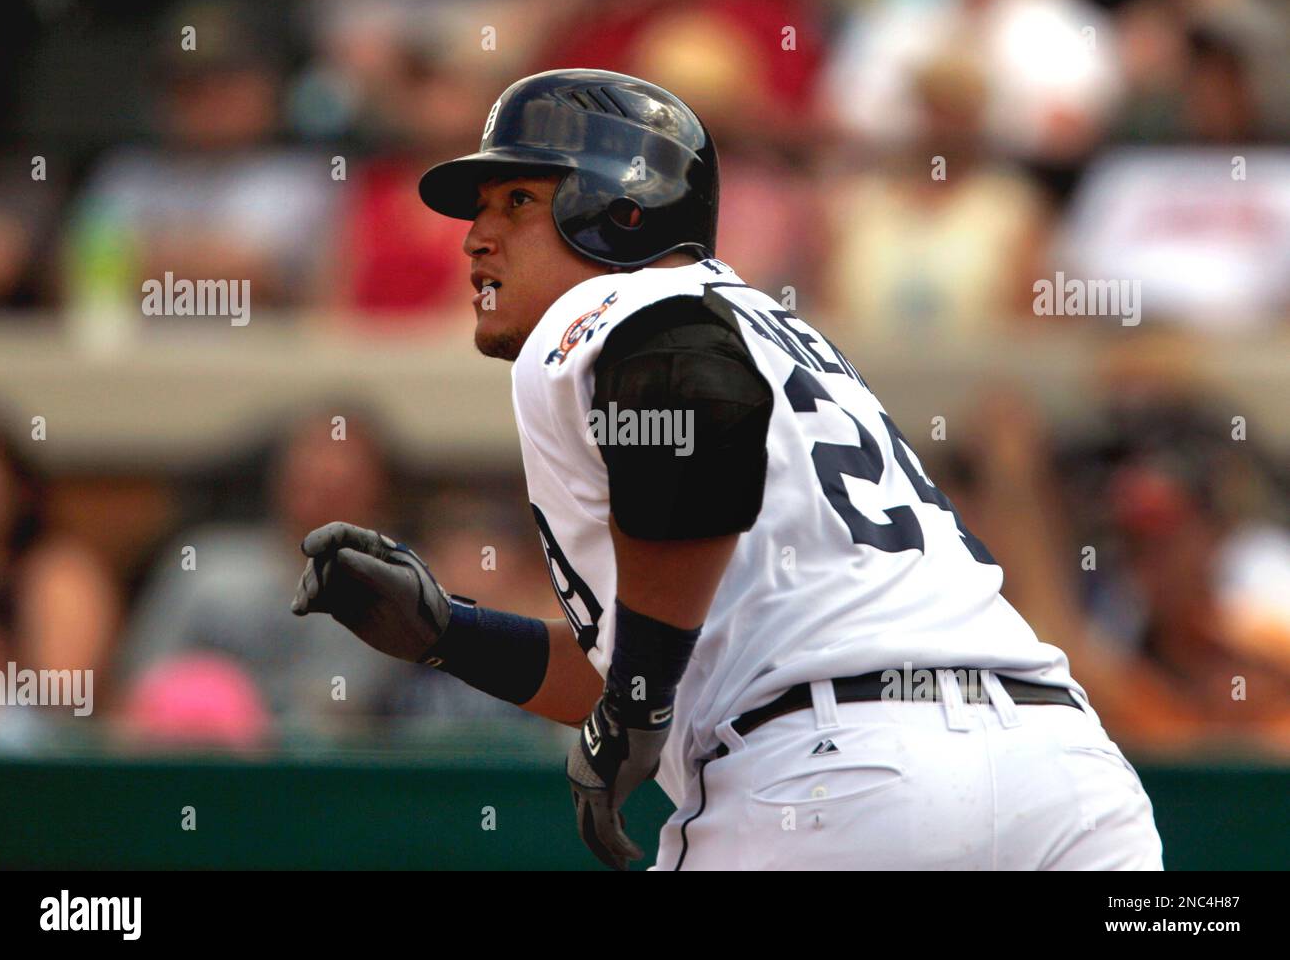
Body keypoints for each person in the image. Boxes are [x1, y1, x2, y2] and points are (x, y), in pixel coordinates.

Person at [290, 69, 1164, 870]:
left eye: (516, 199)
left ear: (620, 212)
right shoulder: (783, 333)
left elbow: (697, 404)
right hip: (1066, 775)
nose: (475, 237)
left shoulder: (618, 297)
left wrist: (631, 706)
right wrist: (456, 634)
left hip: (837, 782)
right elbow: (689, 658)